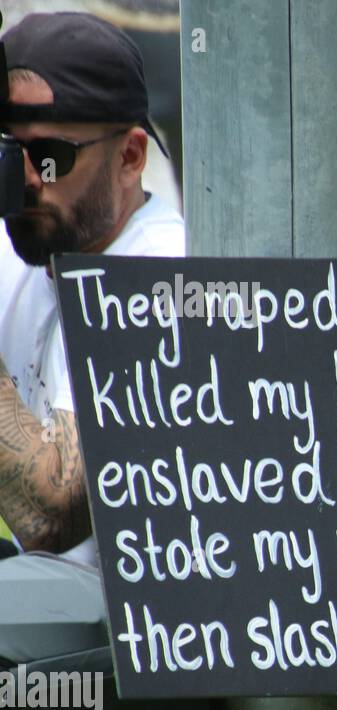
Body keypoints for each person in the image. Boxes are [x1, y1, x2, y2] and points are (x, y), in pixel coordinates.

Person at [0, 13, 183, 607]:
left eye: (49, 155)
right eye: (7, 150)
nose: (26, 178)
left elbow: (52, 512)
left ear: (130, 157)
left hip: (137, 639)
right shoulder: (36, 240)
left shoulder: (162, 275)